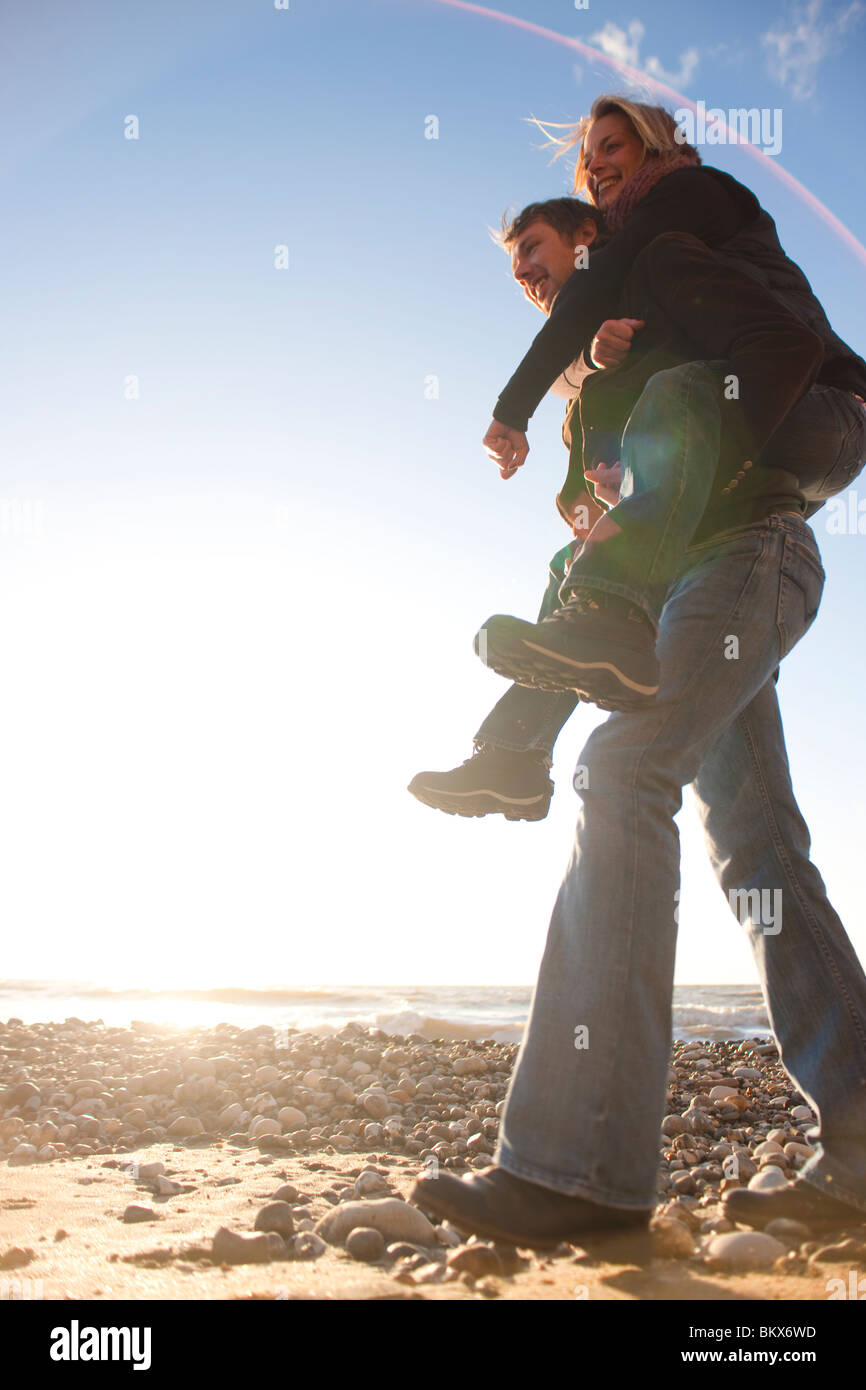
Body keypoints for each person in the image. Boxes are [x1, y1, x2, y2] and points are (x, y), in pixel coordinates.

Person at [408, 103, 866, 1254]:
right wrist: (596, 492)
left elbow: (771, 356)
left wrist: (539, 412)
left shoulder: (671, 245)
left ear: (655, 163)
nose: (600, 181)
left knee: (621, 773)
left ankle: (578, 1169)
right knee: (756, 849)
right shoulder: (619, 342)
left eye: (613, 164)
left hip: (745, 551)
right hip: (708, 568)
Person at [410, 193, 866, 821]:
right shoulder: (587, 395)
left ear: (587, 240)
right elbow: (586, 508)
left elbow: (766, 356)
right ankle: (514, 755)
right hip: (690, 565)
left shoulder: (662, 269)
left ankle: (608, 619)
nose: (524, 274)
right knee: (752, 834)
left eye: (533, 248)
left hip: (752, 515)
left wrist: (687, 478)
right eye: (515, 269)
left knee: (636, 775)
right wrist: (606, 500)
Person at [473, 95, 866, 710]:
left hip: (823, 405)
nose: (596, 164)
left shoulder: (693, 197)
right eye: (587, 157)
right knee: (586, 554)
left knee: (676, 393)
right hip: (757, 437)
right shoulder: (633, 270)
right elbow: (604, 355)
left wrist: (513, 408)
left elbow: (613, 289)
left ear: (653, 144)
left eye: (613, 146)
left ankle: (612, 622)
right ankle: (517, 750)